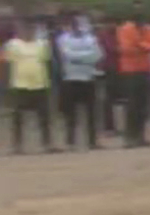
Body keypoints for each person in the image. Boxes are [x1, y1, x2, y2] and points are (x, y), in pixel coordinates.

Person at [3, 18, 53, 154]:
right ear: (19, 31)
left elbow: (47, 62)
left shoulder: (42, 44)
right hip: (20, 84)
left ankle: (46, 144)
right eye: (25, 29)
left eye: (31, 29)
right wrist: (7, 84)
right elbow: (7, 64)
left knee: (44, 115)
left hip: (40, 84)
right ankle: (17, 146)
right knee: (18, 117)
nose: (28, 32)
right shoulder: (12, 45)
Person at [57, 12, 103, 150]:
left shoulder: (91, 39)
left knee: (91, 112)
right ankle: (70, 142)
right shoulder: (63, 38)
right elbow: (66, 55)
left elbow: (97, 55)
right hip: (70, 78)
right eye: (75, 24)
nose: (78, 27)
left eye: (80, 24)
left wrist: (78, 58)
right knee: (71, 113)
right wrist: (85, 57)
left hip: (88, 78)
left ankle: (92, 141)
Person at [117, 0, 150, 148]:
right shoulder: (125, 29)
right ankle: (130, 137)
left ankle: (140, 136)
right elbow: (127, 49)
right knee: (132, 105)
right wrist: (144, 46)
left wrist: (140, 45)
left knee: (144, 105)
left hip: (146, 69)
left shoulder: (148, 29)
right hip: (130, 71)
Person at [96, 15, 121, 135]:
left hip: (120, 68)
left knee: (120, 100)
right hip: (107, 69)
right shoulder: (103, 36)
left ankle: (119, 126)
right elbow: (111, 49)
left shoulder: (120, 35)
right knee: (108, 99)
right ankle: (109, 127)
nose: (113, 26)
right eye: (111, 23)